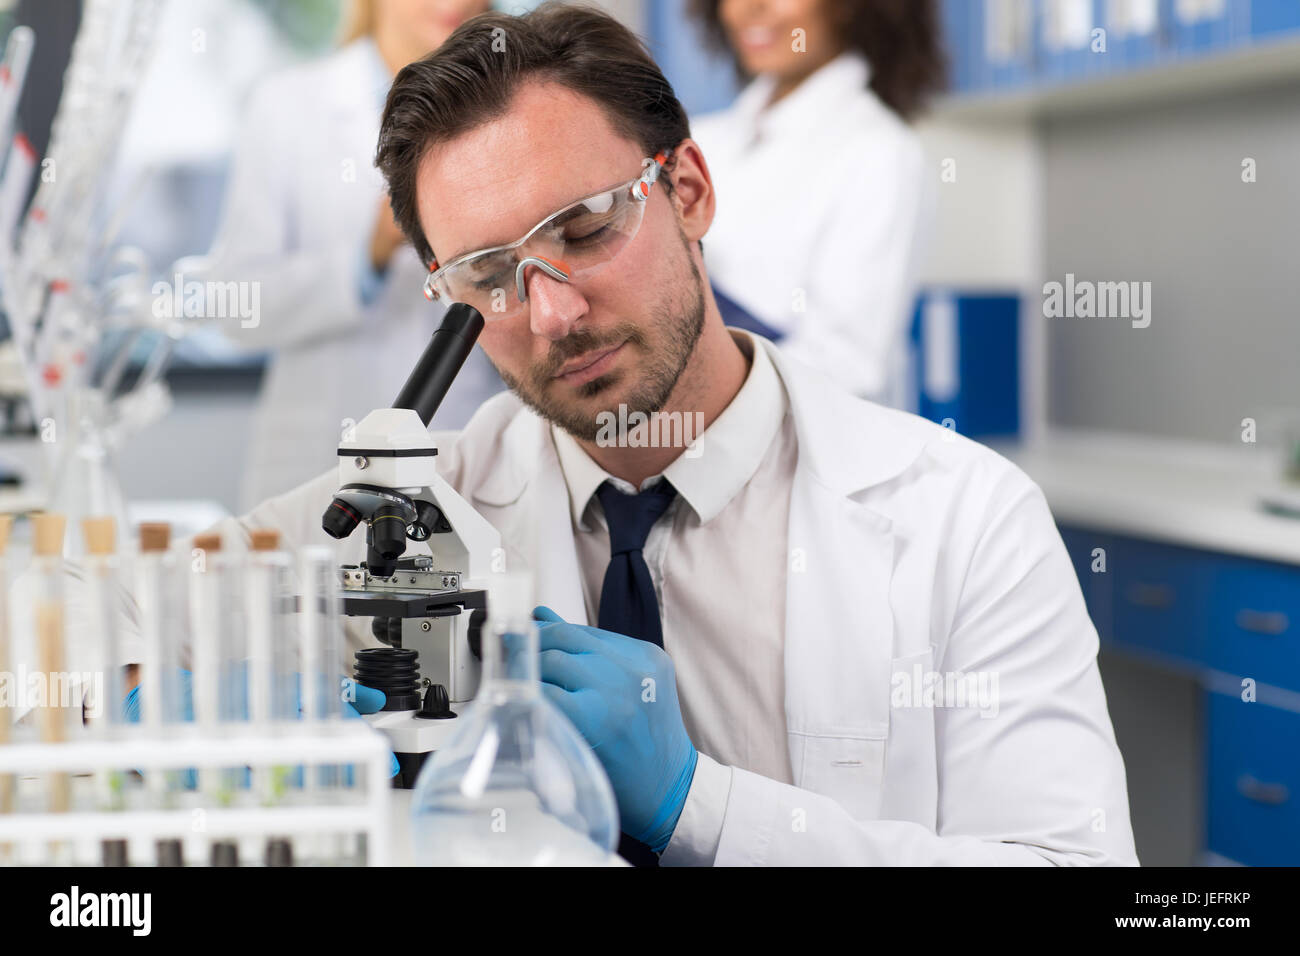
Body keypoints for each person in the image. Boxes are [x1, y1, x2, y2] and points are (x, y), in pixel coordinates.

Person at [57, 4, 1136, 866]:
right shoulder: (426, 504)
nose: (553, 312)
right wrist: (174, 709)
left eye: (584, 229)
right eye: (489, 275)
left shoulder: (961, 520)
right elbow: (82, 628)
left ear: (688, 189)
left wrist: (698, 807)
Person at [205, 0, 497, 508]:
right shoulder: (289, 105)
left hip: (460, 441)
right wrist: (370, 253)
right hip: (318, 458)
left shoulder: (504, 105)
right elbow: (236, 308)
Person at [688, 0, 944, 403]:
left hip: (801, 453)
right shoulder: (699, 139)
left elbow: (847, 367)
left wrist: (690, 373)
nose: (751, 7)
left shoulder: (881, 152)